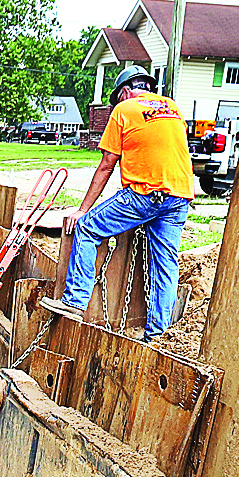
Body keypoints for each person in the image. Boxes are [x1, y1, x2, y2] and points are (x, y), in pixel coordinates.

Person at [52, 65, 194, 342]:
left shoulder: (124, 109)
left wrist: (82, 210)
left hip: (144, 194)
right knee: (165, 263)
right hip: (179, 196)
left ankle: (75, 301)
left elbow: (107, 165)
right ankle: (157, 334)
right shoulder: (173, 108)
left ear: (125, 92)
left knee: (87, 228)